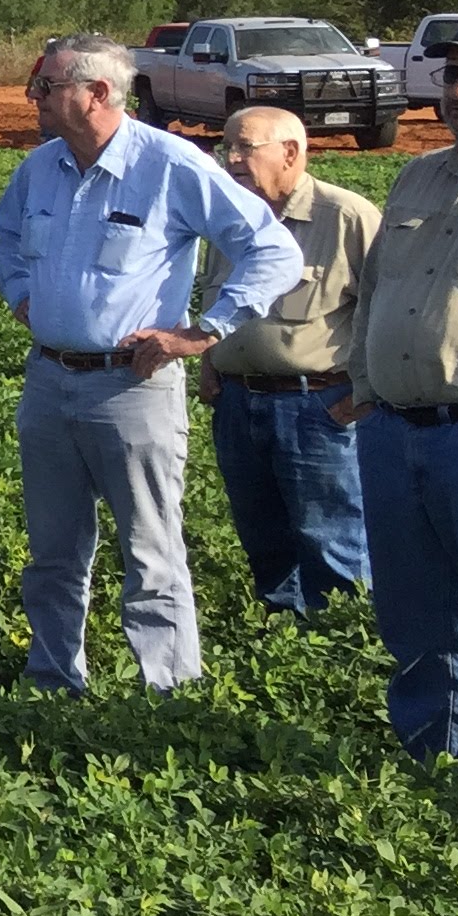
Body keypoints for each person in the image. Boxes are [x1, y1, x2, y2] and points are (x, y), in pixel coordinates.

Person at [0, 34, 300, 697]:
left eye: (46, 87)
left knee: (151, 552)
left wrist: (202, 332)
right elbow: (7, 236)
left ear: (96, 93)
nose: (34, 98)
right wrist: (24, 298)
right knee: (52, 553)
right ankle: (51, 681)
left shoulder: (170, 164)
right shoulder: (40, 167)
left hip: (132, 386)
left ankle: (170, 695)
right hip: (48, 382)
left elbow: (273, 251)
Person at [342, 14, 458, 762]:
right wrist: (367, 392)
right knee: (417, 614)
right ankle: (443, 761)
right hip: (395, 433)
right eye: (454, 74)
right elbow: (372, 291)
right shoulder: (417, 174)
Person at [200, 104, 376, 615]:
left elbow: (386, 310)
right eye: (225, 147)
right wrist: (211, 363)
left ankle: (339, 652)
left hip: (318, 407)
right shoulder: (230, 219)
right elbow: (217, 303)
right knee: (263, 538)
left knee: (331, 540)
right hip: (237, 405)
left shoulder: (346, 217)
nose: (231, 159)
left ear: (291, 152)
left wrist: (360, 397)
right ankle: (282, 643)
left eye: (244, 148)